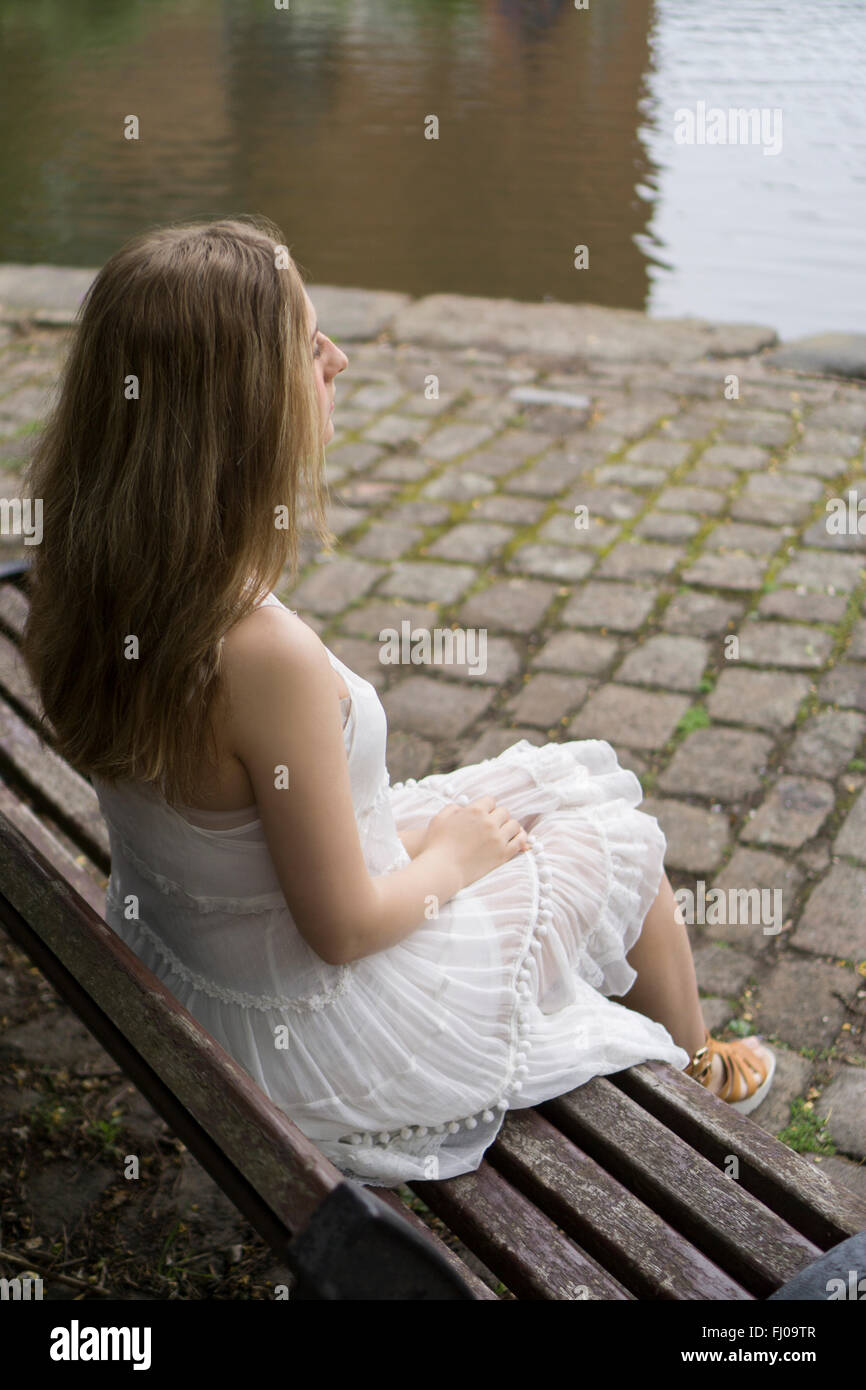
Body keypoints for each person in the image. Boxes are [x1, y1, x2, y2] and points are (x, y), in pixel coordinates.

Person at [21, 216, 774, 1188]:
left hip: (207, 949)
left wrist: (431, 841)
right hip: (320, 1029)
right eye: (308, 342)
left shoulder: (93, 572)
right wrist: (451, 857)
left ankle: (692, 1056)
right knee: (617, 841)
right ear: (243, 407)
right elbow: (340, 927)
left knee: (556, 781)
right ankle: (700, 1086)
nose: (335, 358)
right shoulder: (256, 652)